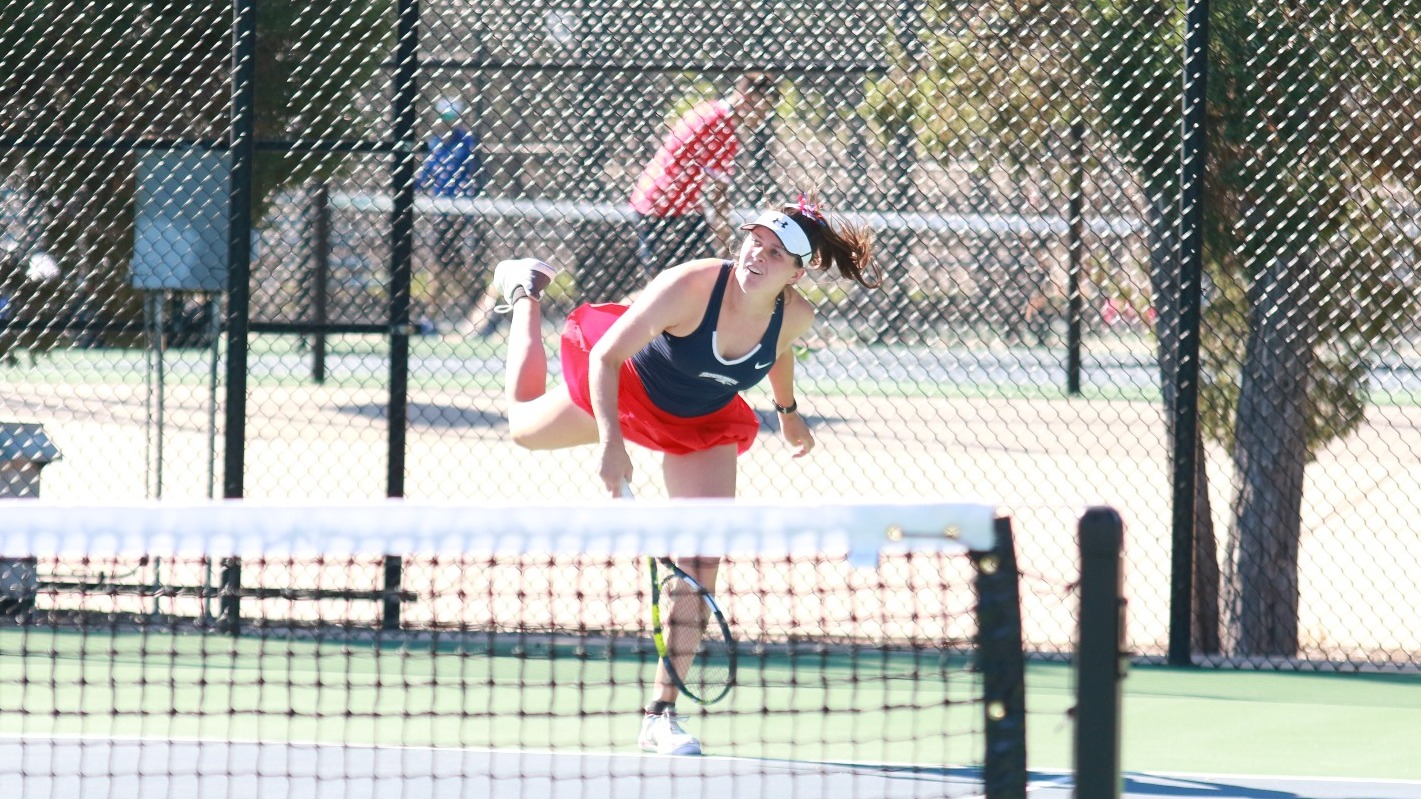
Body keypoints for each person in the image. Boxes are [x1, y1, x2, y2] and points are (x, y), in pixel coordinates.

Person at [489, 194, 879, 756]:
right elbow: (604, 358)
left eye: (774, 254)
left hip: (702, 421)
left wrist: (788, 415)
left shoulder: (796, 314)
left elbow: (780, 351)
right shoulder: (691, 285)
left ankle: (660, 715)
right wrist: (610, 445)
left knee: (700, 563)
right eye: (755, 241)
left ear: (797, 272)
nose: (756, 256)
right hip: (627, 395)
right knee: (523, 425)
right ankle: (526, 290)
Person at [628, 74, 778, 278]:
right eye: (762, 109)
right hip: (669, 207)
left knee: (675, 282)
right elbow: (719, 195)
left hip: (661, 200)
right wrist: (726, 244)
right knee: (701, 280)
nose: (760, 118)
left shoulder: (708, 109)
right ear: (747, 98)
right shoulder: (723, 129)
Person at [416, 97, 488, 328]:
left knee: (441, 260)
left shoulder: (466, 141)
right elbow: (425, 174)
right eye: (443, 118)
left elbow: (475, 173)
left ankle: (432, 315)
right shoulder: (434, 142)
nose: (446, 123)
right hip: (440, 208)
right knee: (448, 263)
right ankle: (481, 306)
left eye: (451, 118)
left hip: (459, 208)